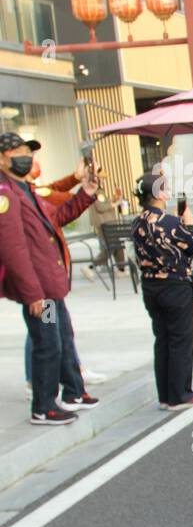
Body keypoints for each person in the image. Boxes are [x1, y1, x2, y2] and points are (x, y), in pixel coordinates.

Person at [0, 133, 101, 425]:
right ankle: (43, 407)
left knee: (64, 338)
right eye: (18, 151)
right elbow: (13, 249)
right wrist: (32, 293)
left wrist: (87, 193)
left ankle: (73, 393)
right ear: (3, 158)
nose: (26, 157)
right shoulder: (6, 194)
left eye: (28, 151)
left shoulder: (26, 189)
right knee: (48, 344)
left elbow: (58, 216)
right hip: (39, 289)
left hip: (50, 284)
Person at [131, 173, 193, 411]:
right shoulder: (170, 222)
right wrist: (189, 224)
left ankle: (165, 395)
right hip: (174, 285)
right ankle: (180, 395)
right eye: (165, 188)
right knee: (181, 340)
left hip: (150, 286)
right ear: (159, 194)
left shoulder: (138, 222)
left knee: (162, 339)